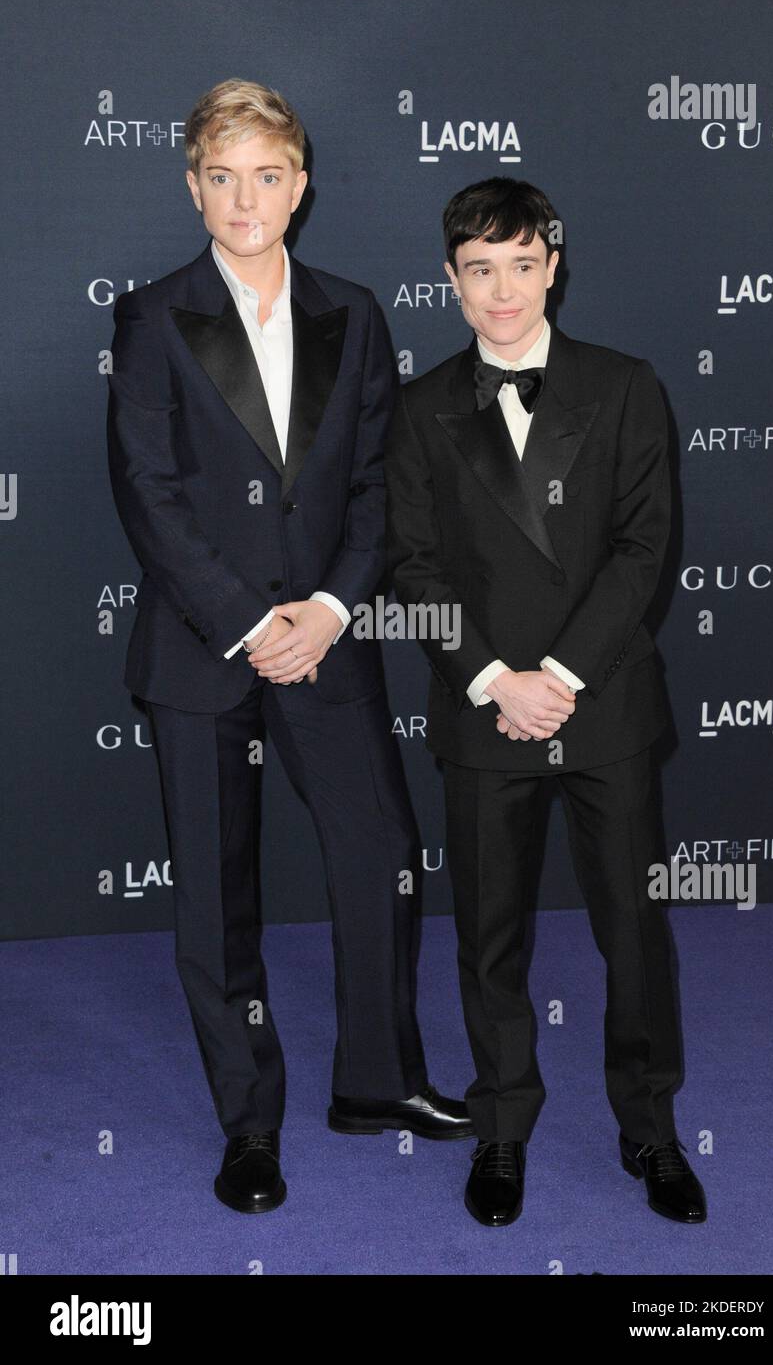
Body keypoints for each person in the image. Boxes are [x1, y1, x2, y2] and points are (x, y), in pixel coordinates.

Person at [106, 78, 473, 1215]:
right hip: (204, 646)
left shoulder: (354, 314)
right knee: (215, 900)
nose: (245, 197)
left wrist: (327, 609)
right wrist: (252, 622)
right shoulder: (152, 316)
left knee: (380, 860)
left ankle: (376, 1082)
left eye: (267, 175)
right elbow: (147, 494)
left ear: (299, 186)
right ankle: (247, 1123)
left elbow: (375, 486)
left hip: (328, 639)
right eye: (222, 176)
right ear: (193, 186)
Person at [384, 176, 706, 1228]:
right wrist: (491, 681)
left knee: (631, 928)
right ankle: (503, 1128)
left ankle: (650, 1129)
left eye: (522, 264)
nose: (504, 290)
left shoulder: (623, 386)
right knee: (488, 936)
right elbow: (412, 570)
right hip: (484, 713)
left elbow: (640, 548)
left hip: (600, 702)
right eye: (481, 270)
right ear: (451, 280)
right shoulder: (421, 407)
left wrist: (559, 677)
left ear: (552, 266)